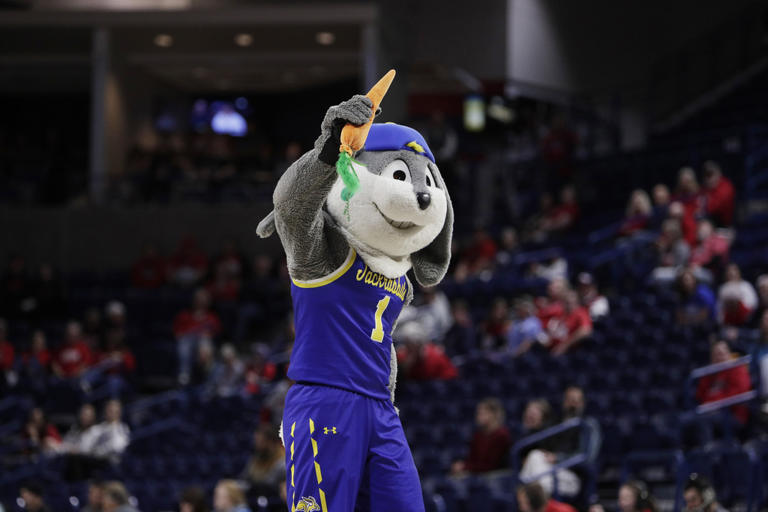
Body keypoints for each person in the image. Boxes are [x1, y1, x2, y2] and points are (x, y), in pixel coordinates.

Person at [451, 398, 511, 475]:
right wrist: (462, 466)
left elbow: (491, 465)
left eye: (482, 413)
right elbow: (472, 459)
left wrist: (465, 467)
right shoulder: (478, 435)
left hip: (495, 476)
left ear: (493, 414)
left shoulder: (502, 435)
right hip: (477, 473)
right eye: (478, 413)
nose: (478, 417)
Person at [696, 340, 751, 425]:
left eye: (721, 354)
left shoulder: (738, 369)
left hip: (732, 414)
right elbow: (700, 395)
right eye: (715, 355)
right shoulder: (710, 373)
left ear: (728, 354)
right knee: (687, 420)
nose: (719, 358)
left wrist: (713, 401)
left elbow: (738, 393)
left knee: (702, 421)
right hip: (710, 412)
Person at [173, 288, 221, 385]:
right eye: (199, 299)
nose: (201, 302)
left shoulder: (211, 317)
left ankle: (207, 374)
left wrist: (206, 335)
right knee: (184, 344)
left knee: (204, 341)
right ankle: (184, 373)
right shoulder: (184, 315)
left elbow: (216, 332)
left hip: (203, 344)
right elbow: (177, 333)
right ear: (194, 300)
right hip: (187, 342)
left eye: (204, 299)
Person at [240, 424, 285, 496]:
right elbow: (244, 479)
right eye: (256, 441)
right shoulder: (256, 459)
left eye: (260, 442)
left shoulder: (282, 461)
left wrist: (251, 486)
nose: (257, 445)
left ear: (271, 442)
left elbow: (269, 485)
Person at [545, 290, 593, 356]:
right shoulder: (560, 313)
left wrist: (564, 346)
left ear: (577, 302)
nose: (569, 305)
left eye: (571, 302)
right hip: (551, 347)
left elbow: (586, 330)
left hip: (569, 352)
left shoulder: (581, 313)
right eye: (566, 302)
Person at [702, 161, 735, 227]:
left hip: (725, 226)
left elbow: (711, 208)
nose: (709, 179)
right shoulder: (705, 189)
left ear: (719, 173)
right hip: (711, 224)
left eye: (711, 175)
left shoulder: (726, 186)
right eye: (706, 175)